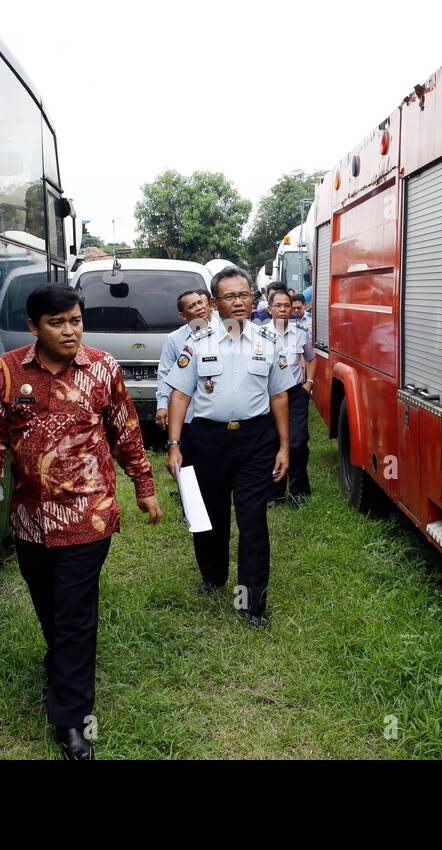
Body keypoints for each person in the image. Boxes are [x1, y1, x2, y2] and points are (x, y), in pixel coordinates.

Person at [0, 283, 162, 760]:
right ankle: (62, 666)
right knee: (49, 605)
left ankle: (72, 720)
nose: (70, 330)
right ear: (34, 327)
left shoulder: (102, 368)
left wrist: (143, 486)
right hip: (29, 518)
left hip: (87, 515)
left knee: (74, 613)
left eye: (76, 320)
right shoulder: (8, 371)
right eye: (58, 323)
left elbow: (126, 432)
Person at [164, 267, 289, 629]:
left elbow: (279, 395)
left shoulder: (269, 340)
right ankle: (213, 575)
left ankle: (251, 603)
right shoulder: (197, 343)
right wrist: (174, 445)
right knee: (209, 517)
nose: (239, 302)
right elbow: (180, 394)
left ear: (254, 299)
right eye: (231, 296)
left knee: (253, 522)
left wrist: (284, 446)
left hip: (255, 441)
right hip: (206, 440)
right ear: (215, 303)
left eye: (245, 294)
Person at [263, 289, 316, 506]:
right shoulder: (260, 335)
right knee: (272, 441)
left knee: (297, 441)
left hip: (295, 394)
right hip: (270, 395)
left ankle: (298, 490)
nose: (284, 310)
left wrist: (308, 385)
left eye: (287, 306)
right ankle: (274, 493)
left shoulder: (300, 333)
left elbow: (311, 359)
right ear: (270, 309)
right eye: (279, 306)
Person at [154, 288, 212, 431]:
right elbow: (165, 374)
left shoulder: (223, 333)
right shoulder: (174, 339)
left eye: (200, 302)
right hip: (188, 414)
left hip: (215, 414)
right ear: (182, 316)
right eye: (192, 306)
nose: (199, 308)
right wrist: (162, 405)